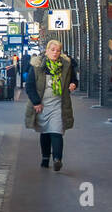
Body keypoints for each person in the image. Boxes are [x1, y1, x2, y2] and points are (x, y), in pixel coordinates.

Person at [25, 38, 77, 170]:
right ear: (47, 51)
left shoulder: (66, 66)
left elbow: (73, 80)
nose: (55, 53)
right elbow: (30, 86)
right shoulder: (37, 66)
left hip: (59, 105)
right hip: (42, 105)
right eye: (52, 50)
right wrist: (36, 102)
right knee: (45, 131)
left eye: (58, 50)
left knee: (56, 131)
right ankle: (45, 157)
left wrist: (73, 84)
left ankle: (57, 159)